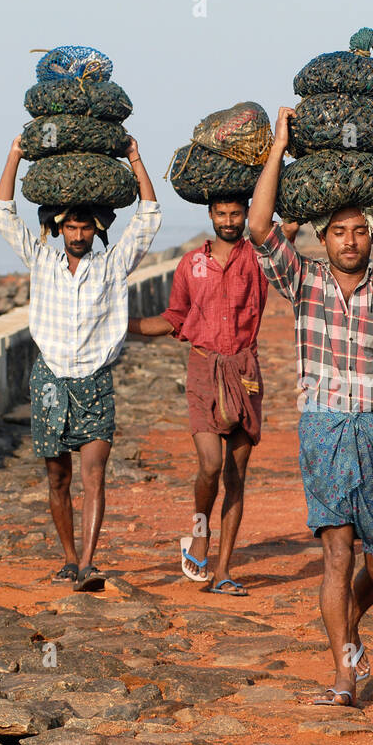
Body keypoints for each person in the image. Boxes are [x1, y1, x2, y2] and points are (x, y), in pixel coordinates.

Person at [248, 101, 373, 706]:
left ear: (369, 237)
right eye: (338, 232)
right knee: (336, 553)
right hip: (324, 428)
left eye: (359, 232)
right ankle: (343, 674)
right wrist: (278, 145)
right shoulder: (302, 283)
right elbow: (258, 228)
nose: (350, 241)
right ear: (321, 238)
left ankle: (350, 625)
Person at [0, 133, 161, 591]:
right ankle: (69, 558)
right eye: (72, 228)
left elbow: (149, 217)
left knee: (95, 476)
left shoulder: (113, 265)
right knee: (57, 477)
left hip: (95, 382)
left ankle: (88, 563)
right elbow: (3, 213)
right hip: (49, 381)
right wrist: (15, 154)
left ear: (96, 230)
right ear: (59, 229)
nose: (79, 235)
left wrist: (135, 158)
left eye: (86, 228)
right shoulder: (41, 260)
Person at [128, 198, 295, 595]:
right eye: (221, 214)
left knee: (236, 476)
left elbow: (291, 223)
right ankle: (199, 531)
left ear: (247, 214)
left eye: (236, 214)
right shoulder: (191, 264)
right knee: (210, 464)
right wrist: (119, 323)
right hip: (203, 370)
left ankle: (222, 571)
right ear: (210, 216)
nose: (229, 221)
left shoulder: (261, 257)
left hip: (244, 372)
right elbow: (174, 317)